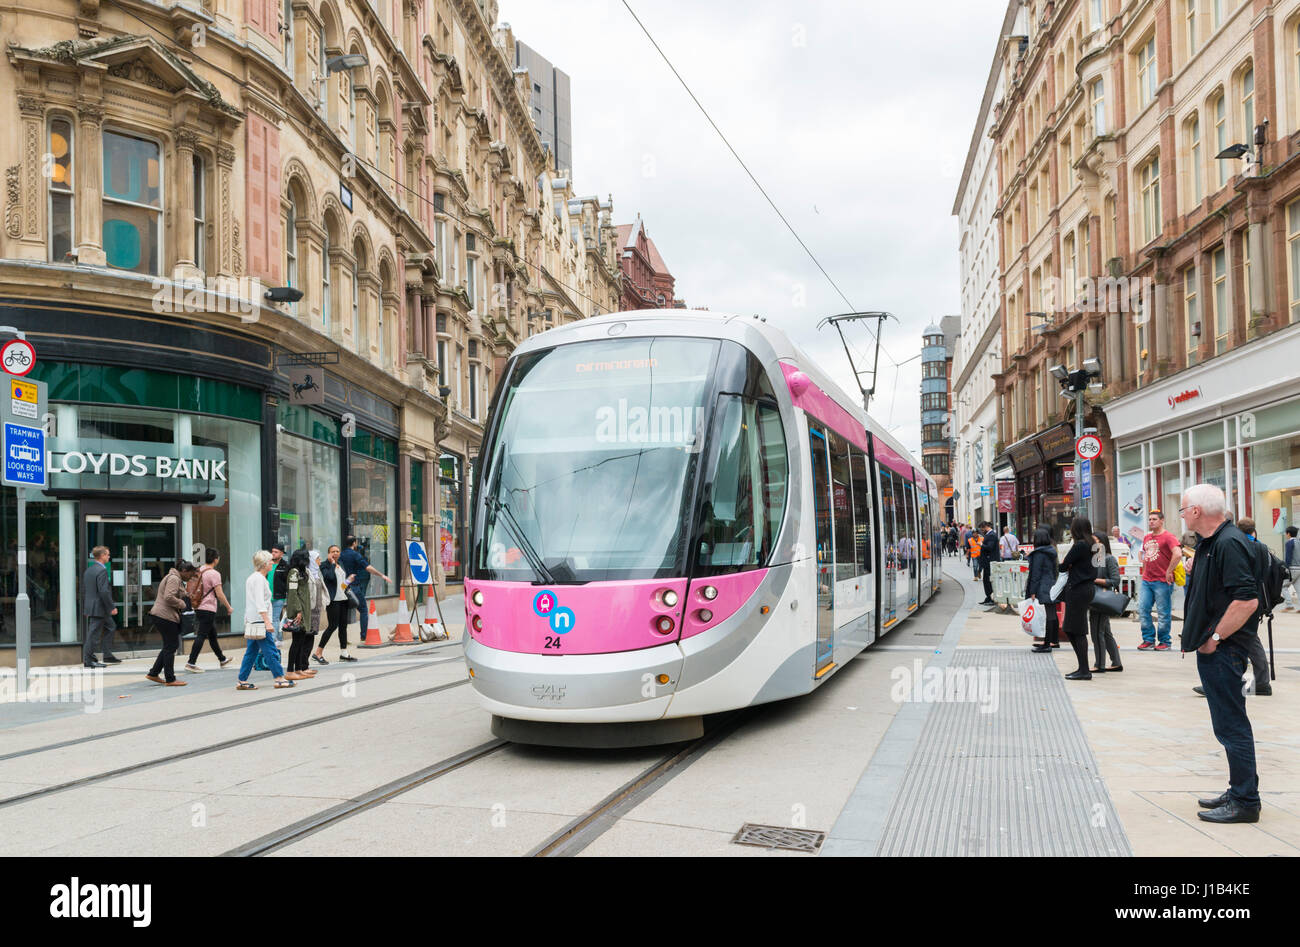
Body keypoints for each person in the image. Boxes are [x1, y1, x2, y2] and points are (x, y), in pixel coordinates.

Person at [1179, 483, 1262, 824]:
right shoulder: (1213, 542)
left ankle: (1245, 801)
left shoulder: (1228, 543)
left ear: (1197, 511)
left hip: (1225, 650)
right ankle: (1238, 789)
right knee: (1227, 724)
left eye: (1184, 510)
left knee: (1231, 726)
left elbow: (1247, 600)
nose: (1182, 515)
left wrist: (1213, 636)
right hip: (1217, 649)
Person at [1189, 517, 1270, 697]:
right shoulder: (1258, 546)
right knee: (1249, 640)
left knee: (1243, 642)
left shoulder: (1234, 545)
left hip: (1241, 604)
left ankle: (1236, 682)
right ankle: (1260, 681)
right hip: (1256, 602)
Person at [237, 551, 294, 690]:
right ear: (264, 564)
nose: (272, 563)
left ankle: (242, 680)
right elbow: (259, 602)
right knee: (270, 650)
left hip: (253, 620)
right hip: (260, 621)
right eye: (270, 561)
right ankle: (279, 677)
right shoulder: (259, 579)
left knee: (251, 652)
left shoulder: (253, 577)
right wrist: (267, 621)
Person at [1057, 516, 1098, 680]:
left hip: (1077, 589)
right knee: (1071, 628)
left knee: (1077, 630)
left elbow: (1063, 566)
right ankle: (1083, 668)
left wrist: (1070, 565)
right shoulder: (1096, 545)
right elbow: (1098, 566)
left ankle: (1084, 669)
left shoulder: (1080, 545)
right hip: (1088, 588)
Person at [145, 560, 198, 686]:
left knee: (169, 646)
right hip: (165, 616)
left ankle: (153, 673)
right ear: (184, 571)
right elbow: (168, 597)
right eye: (190, 575)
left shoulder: (175, 578)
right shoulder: (174, 578)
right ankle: (170, 679)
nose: (190, 578)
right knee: (171, 646)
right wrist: (182, 603)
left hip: (163, 615)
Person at [1136, 509, 1180, 651]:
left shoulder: (1168, 537)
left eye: (1154, 519)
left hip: (1162, 581)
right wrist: (1144, 569)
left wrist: (1169, 571)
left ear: (1162, 520)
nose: (1151, 522)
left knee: (1163, 612)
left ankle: (1165, 641)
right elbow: (1143, 553)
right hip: (1147, 580)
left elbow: (1178, 554)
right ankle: (1148, 640)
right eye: (1149, 519)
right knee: (1143, 609)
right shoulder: (1147, 537)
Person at [185, 548, 234, 672]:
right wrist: (228, 606)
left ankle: (222, 659)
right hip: (208, 608)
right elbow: (220, 593)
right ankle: (191, 662)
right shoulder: (214, 574)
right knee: (201, 635)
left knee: (212, 635)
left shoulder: (198, 570)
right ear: (215, 559)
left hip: (198, 606)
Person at [339, 535, 391, 645]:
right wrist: (382, 575)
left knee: (343, 613)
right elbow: (368, 568)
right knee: (363, 610)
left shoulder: (341, 554)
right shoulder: (355, 555)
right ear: (354, 543)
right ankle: (364, 636)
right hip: (353, 587)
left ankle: (343, 639)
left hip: (342, 587)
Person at [313, 545, 357, 664]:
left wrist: (348, 580)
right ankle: (318, 652)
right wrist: (332, 564)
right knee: (332, 626)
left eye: (337, 551)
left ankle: (344, 653)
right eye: (333, 552)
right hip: (333, 601)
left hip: (343, 600)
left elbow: (341, 585)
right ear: (328, 553)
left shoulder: (340, 564)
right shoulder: (324, 565)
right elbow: (330, 577)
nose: (335, 553)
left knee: (343, 626)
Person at [1089, 533, 1123, 673]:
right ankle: (1116, 662)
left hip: (1102, 599)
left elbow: (1115, 580)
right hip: (1095, 598)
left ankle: (1100, 664)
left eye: (1096, 541)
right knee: (1106, 632)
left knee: (1097, 632)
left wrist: (1094, 580)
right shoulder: (1096, 559)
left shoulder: (1109, 559)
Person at [81, 546, 119, 669]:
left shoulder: (89, 570)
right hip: (99, 608)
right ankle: (88, 660)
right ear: (102, 556)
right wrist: (111, 607)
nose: (109, 557)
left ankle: (107, 654)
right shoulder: (101, 571)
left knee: (111, 626)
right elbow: (104, 591)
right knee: (94, 634)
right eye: (107, 555)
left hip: (93, 607)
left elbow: (86, 590)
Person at [282, 548, 317, 680]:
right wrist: (298, 610)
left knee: (301, 641)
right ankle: (290, 671)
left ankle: (299, 669)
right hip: (299, 611)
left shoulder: (301, 572)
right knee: (296, 642)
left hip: (304, 610)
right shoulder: (293, 572)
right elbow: (292, 593)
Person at [1026, 526, 1061, 653]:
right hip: (1051, 584)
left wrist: (1033, 591)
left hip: (1043, 586)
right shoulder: (1051, 551)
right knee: (1051, 614)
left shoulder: (1039, 554)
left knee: (1050, 615)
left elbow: (1036, 574)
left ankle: (1047, 644)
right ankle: (1050, 641)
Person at [979, 522, 1000, 605]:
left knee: (988, 581)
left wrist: (981, 544)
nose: (981, 531)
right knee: (986, 580)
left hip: (990, 562)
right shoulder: (989, 535)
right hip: (988, 562)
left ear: (986, 527)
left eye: (982, 529)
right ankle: (988, 597)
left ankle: (991, 598)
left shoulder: (991, 535)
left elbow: (989, 548)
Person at [1282, 525, 1299, 612]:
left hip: (1292, 568)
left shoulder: (1289, 543)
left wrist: (1286, 568)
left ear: (1288, 534)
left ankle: (1289, 605)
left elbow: (1288, 557)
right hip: (1299, 568)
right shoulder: (1299, 542)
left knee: (1283, 586)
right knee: (1298, 588)